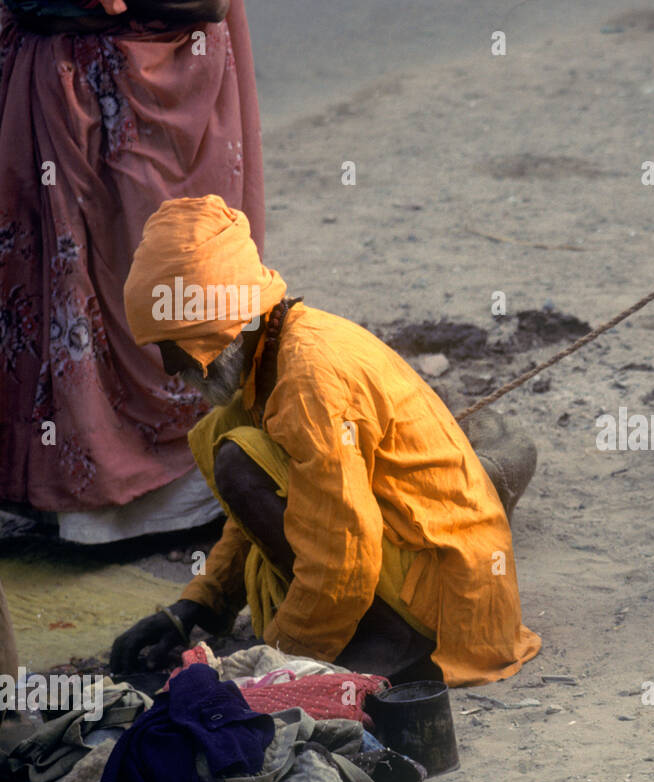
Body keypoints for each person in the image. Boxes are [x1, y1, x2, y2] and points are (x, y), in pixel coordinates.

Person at [109, 196, 541, 686]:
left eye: (175, 346)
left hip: (449, 598)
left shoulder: (309, 374)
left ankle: (391, 639)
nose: (170, 368)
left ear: (221, 322)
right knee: (232, 444)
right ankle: (351, 630)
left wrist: (277, 665)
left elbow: (344, 551)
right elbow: (258, 519)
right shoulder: (265, 359)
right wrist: (196, 605)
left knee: (237, 460)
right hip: (410, 565)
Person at [0, 0, 263, 542]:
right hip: (50, 69)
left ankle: (172, 501)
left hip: (161, 70)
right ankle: (70, 502)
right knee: (60, 285)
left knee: (165, 283)